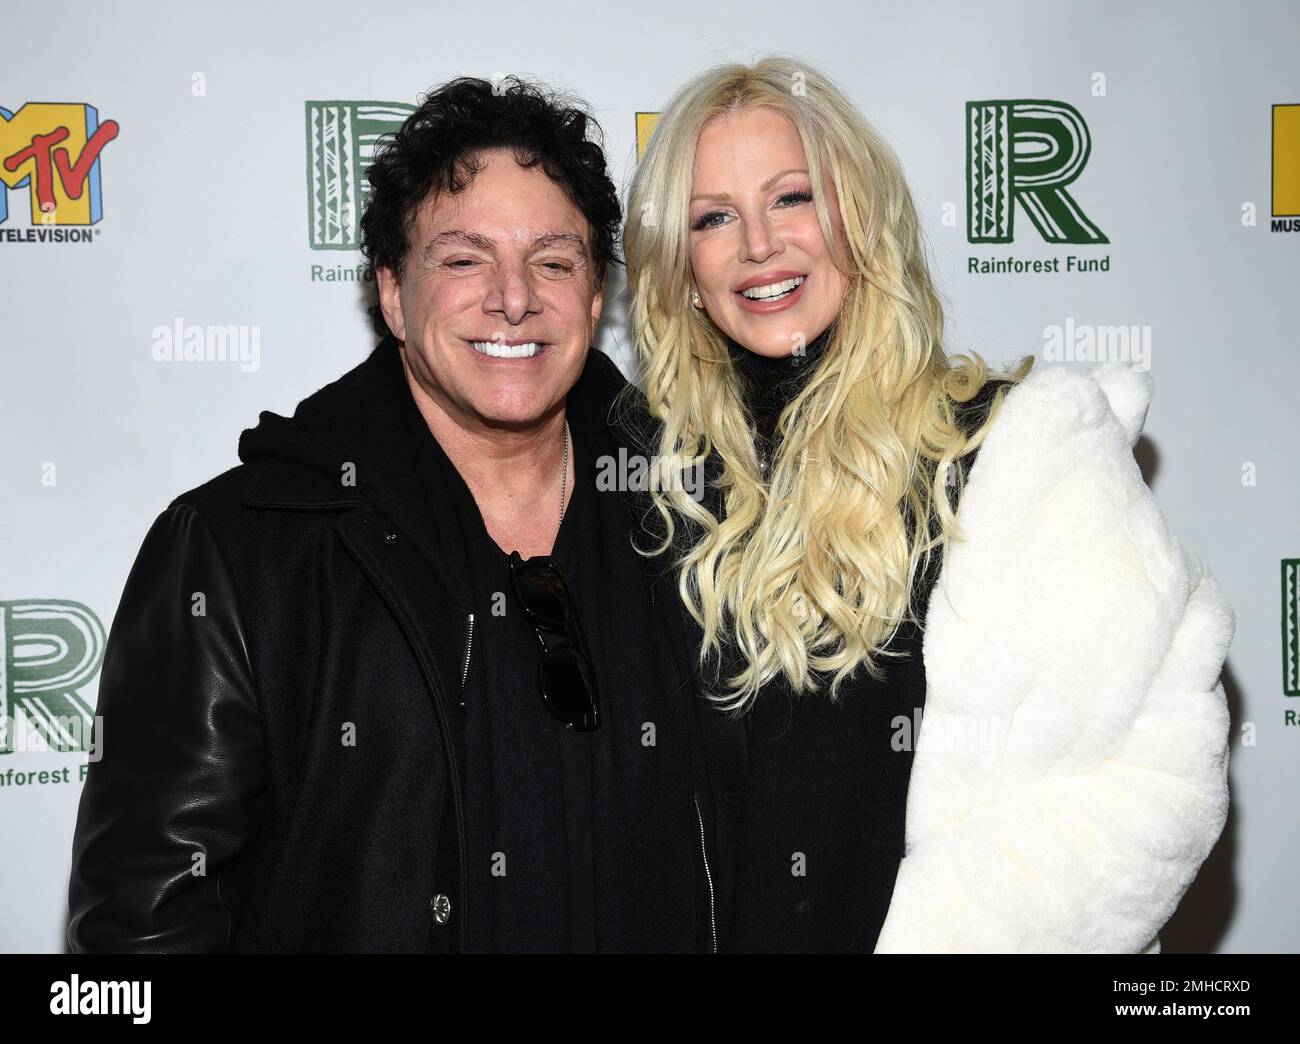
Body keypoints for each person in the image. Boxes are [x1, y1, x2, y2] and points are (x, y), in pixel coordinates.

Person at [66, 76, 718, 953]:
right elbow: (142, 932)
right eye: (463, 259)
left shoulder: (700, 522)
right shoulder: (238, 547)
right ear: (393, 295)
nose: (514, 298)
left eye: (554, 260)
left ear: (597, 296)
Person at [618, 56, 1233, 952]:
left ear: (858, 213)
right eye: (714, 217)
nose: (759, 243)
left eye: (792, 198)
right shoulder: (648, 477)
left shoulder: (1011, 450)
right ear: (681, 265)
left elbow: (1162, 765)